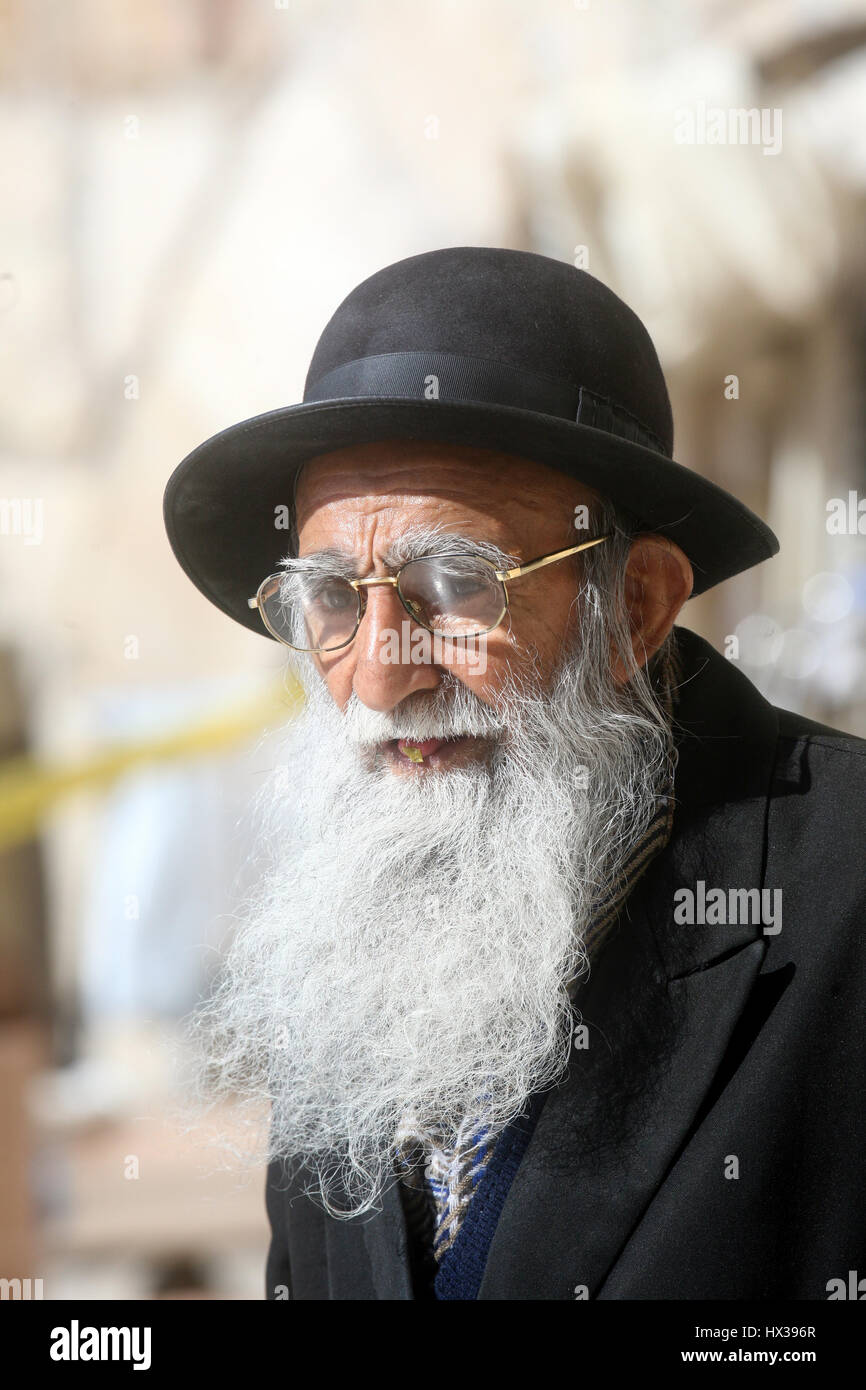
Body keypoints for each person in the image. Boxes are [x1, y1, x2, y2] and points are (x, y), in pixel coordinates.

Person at [164, 246, 866, 1300]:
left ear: (632, 606)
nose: (382, 674)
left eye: (454, 583)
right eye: (330, 597)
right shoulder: (343, 927)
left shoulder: (842, 889)